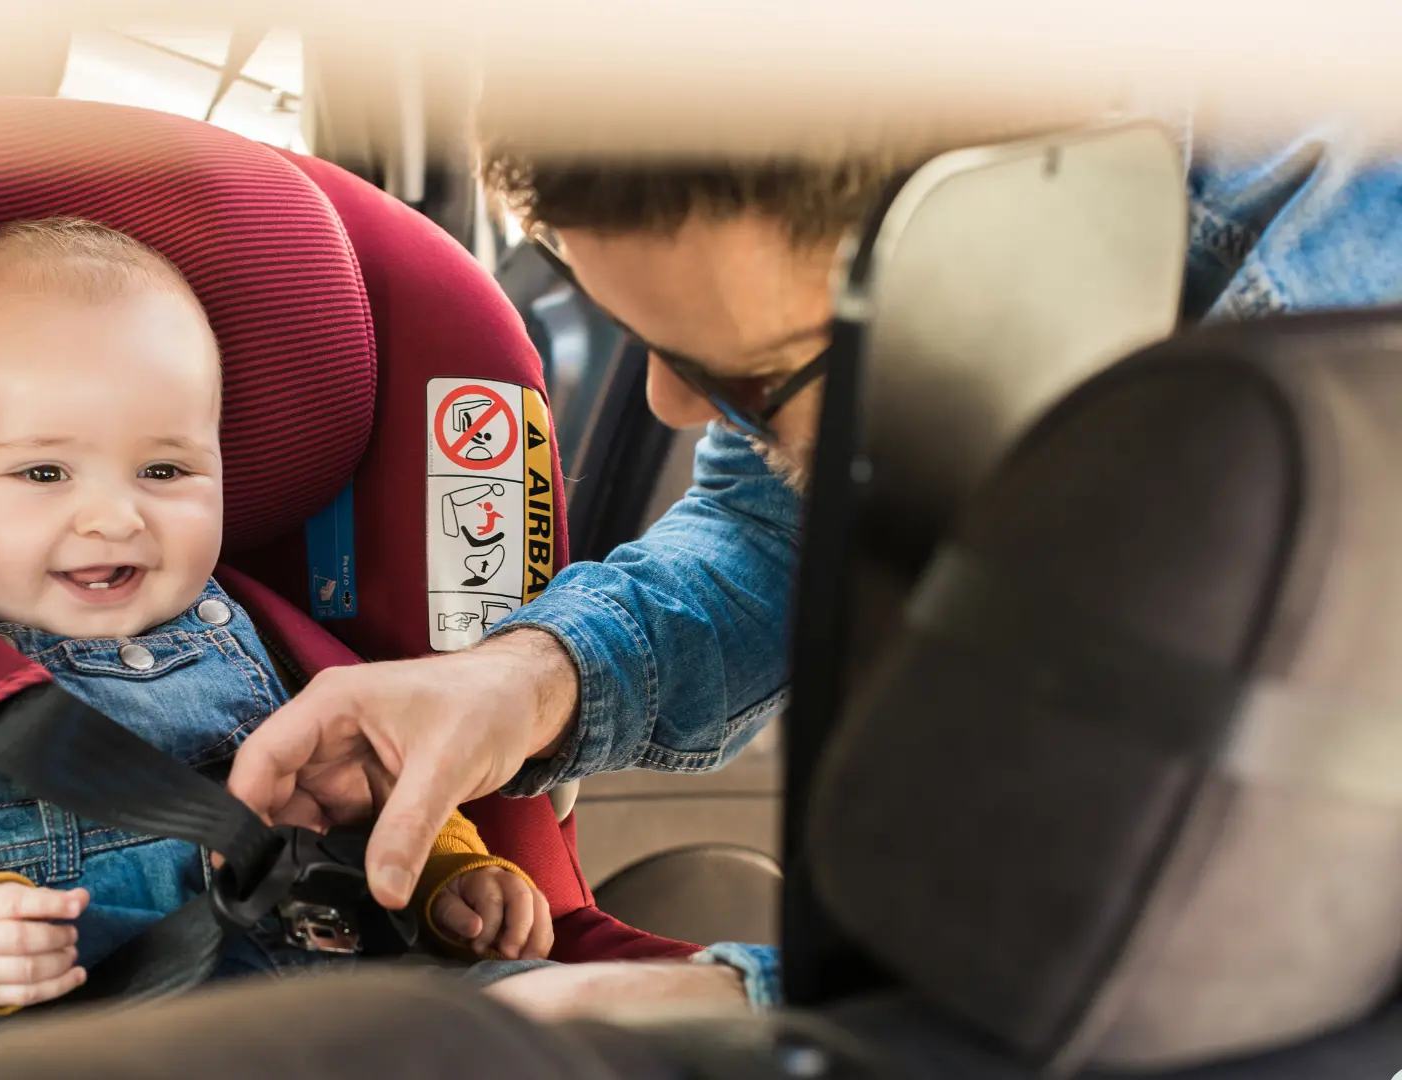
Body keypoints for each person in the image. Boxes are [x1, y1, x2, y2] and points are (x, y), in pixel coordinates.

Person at [226, 103, 1402, 1019]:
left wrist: (745, 1002)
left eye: (744, 377)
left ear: (1009, 240)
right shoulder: (870, 264)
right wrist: (525, 678)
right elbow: (771, 528)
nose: (667, 404)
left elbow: (1231, 924)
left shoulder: (1336, 352)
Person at [0, 217, 553, 1024]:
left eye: (164, 469)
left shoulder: (262, 642)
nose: (115, 518)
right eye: (43, 472)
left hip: (346, 1006)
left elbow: (385, 787)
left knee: (556, 1010)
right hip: (109, 1032)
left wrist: (450, 880)